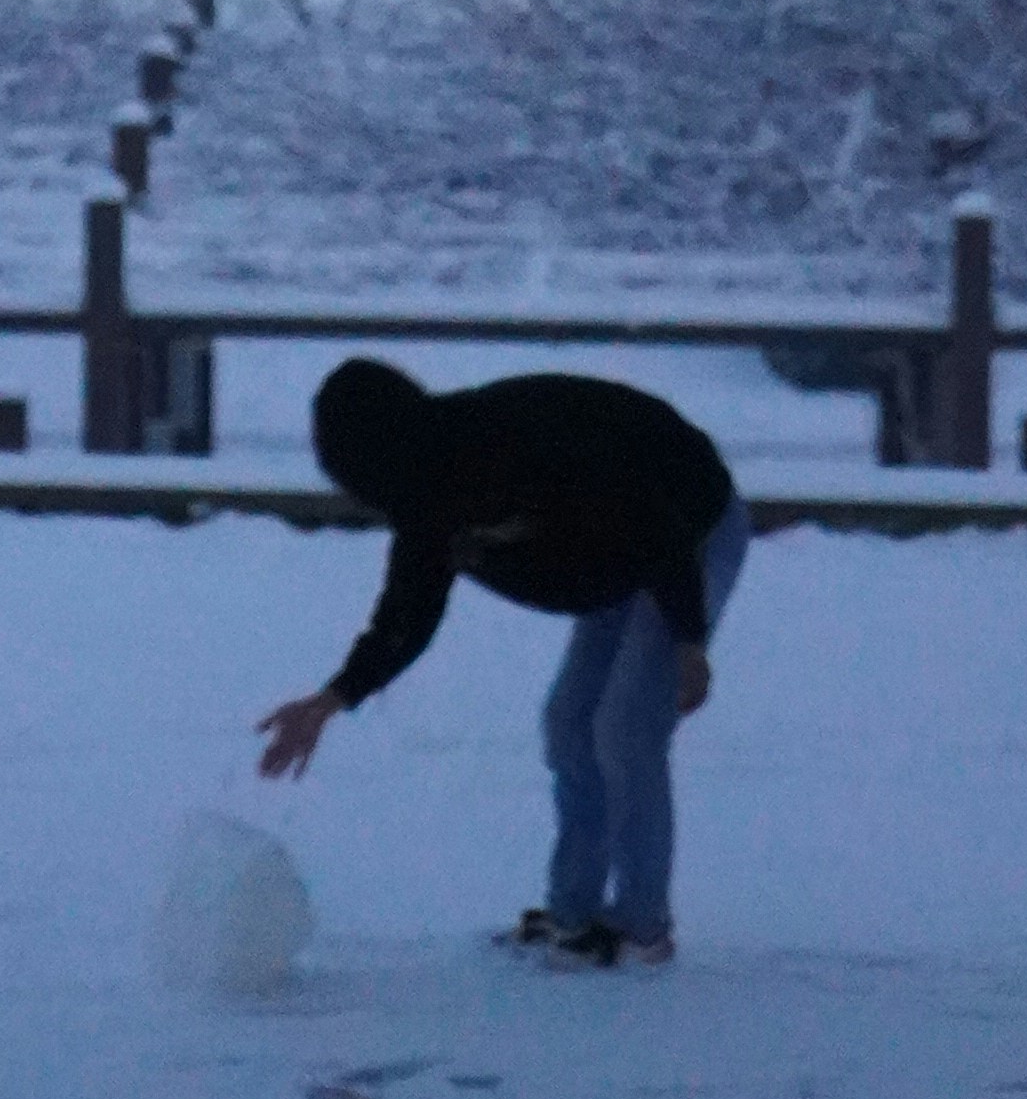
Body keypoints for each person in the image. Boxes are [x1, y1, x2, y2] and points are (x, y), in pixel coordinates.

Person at [255, 356, 747, 970]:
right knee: (570, 724)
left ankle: (643, 929)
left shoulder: (515, 445)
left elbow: (654, 525)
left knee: (625, 730)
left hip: (685, 530)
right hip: (616, 563)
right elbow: (406, 617)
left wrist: (688, 641)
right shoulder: (427, 501)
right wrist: (331, 700)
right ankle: (573, 915)